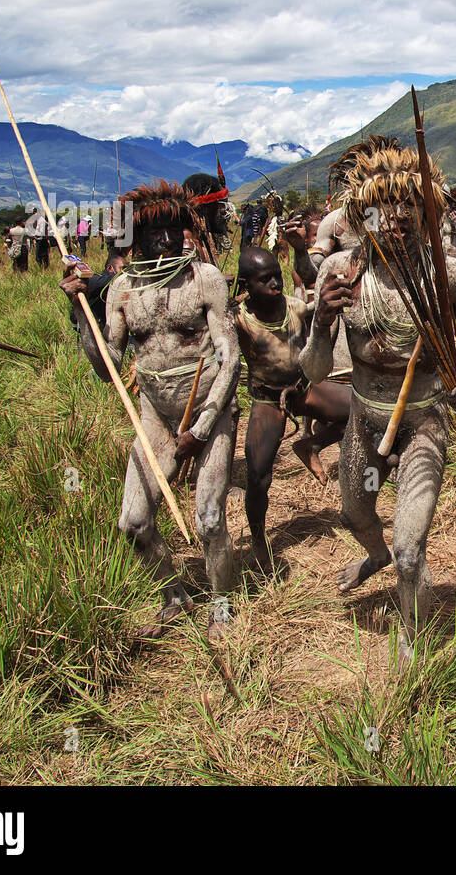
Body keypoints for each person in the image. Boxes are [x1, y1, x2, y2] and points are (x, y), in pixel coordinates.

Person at [301, 142, 456, 660]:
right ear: (362, 214)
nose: (397, 222)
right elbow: (313, 371)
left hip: (424, 417)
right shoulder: (339, 271)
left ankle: (413, 641)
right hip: (364, 416)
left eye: (410, 211)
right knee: (355, 516)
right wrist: (320, 321)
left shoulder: (449, 275)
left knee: (411, 548)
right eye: (385, 212)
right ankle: (374, 555)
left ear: (425, 215)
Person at [59, 181, 241, 637]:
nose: (163, 238)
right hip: (156, 417)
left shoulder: (205, 279)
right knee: (134, 523)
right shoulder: (122, 290)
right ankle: (174, 594)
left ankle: (222, 603)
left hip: (210, 412)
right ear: (133, 239)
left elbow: (230, 358)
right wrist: (82, 312)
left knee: (210, 517)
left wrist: (202, 426)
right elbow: (108, 368)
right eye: (152, 231)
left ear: (184, 230)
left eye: (172, 228)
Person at [234, 246, 349, 566]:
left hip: (305, 389)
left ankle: (310, 444)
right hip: (268, 401)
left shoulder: (294, 307)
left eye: (276, 276)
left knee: (361, 411)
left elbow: (320, 316)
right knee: (257, 476)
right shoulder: (239, 320)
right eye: (264, 280)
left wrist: (328, 303)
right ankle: (258, 537)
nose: (275, 283)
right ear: (246, 286)